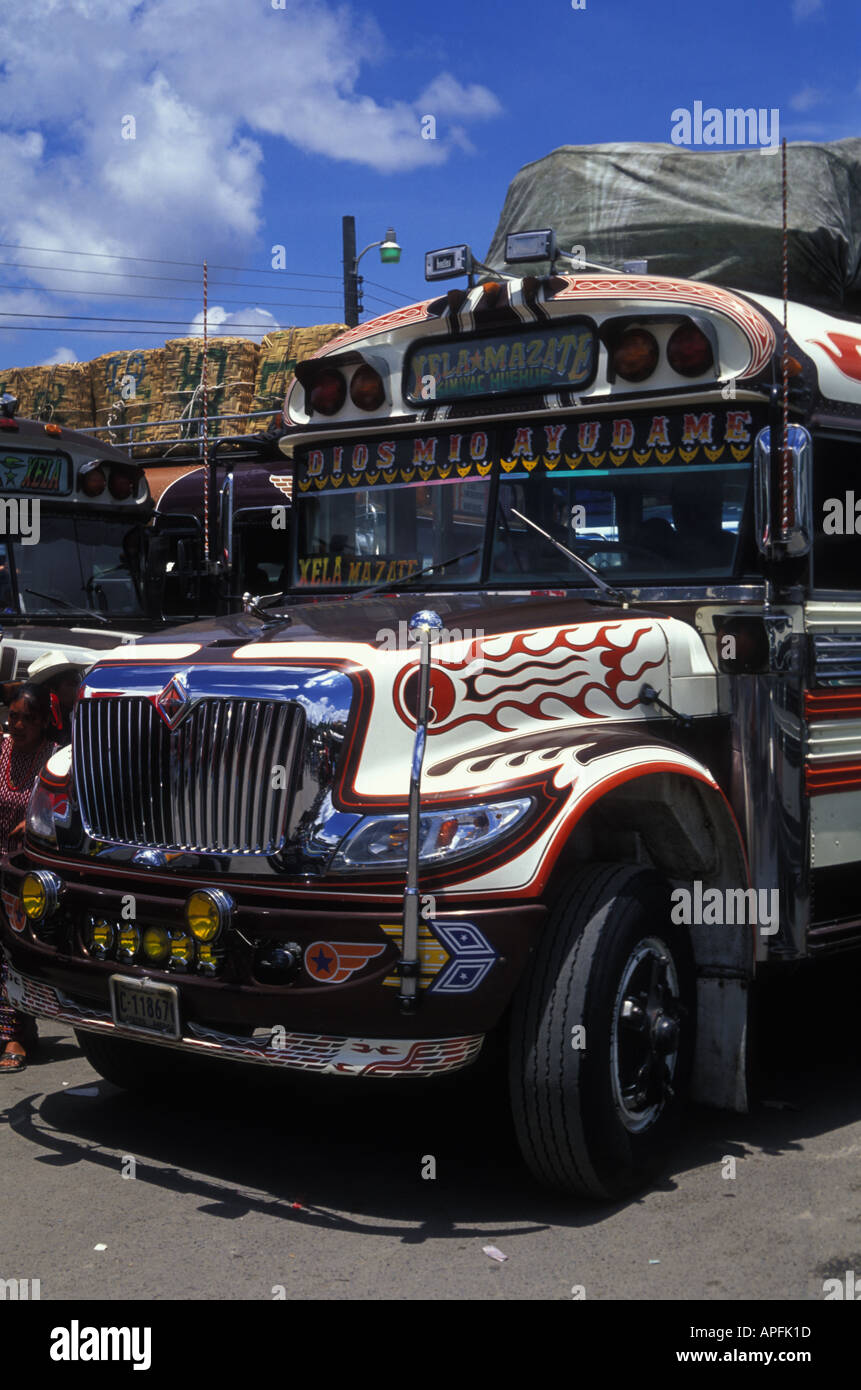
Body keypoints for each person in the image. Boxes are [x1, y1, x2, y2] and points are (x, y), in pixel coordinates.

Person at [0, 683, 57, 1071]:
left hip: (25, 872)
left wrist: (34, 818)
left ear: (41, 723)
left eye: (26, 718)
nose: (17, 723)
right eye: (13, 715)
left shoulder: (52, 759)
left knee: (14, 955)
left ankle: (16, 1034)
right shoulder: (1, 749)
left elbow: (64, 807)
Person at [26, 650, 88, 747]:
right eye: (72, 684)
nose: (79, 689)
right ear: (51, 690)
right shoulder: (41, 726)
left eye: (79, 683)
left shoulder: (69, 717)